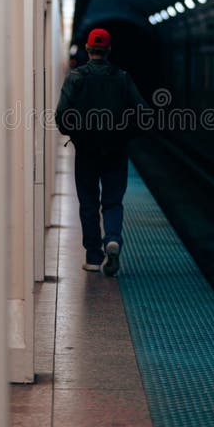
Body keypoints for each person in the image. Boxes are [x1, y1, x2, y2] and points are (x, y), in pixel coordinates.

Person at [55, 28, 146, 276]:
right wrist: (127, 134)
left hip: (86, 151)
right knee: (113, 201)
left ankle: (93, 256)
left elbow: (61, 115)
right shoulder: (122, 77)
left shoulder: (76, 78)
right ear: (108, 50)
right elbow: (144, 113)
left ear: (87, 49)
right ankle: (113, 239)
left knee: (88, 202)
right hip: (116, 150)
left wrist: (75, 134)